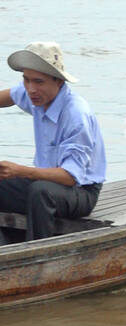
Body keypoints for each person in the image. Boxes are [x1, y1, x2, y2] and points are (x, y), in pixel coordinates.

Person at [0, 41, 106, 242]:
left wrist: (19, 171)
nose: (31, 89)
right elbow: (8, 97)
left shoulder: (76, 114)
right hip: (44, 182)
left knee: (41, 192)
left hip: (80, 191)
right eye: (26, 80)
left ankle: (37, 253)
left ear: (58, 81)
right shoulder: (35, 95)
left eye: (38, 82)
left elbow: (70, 177)